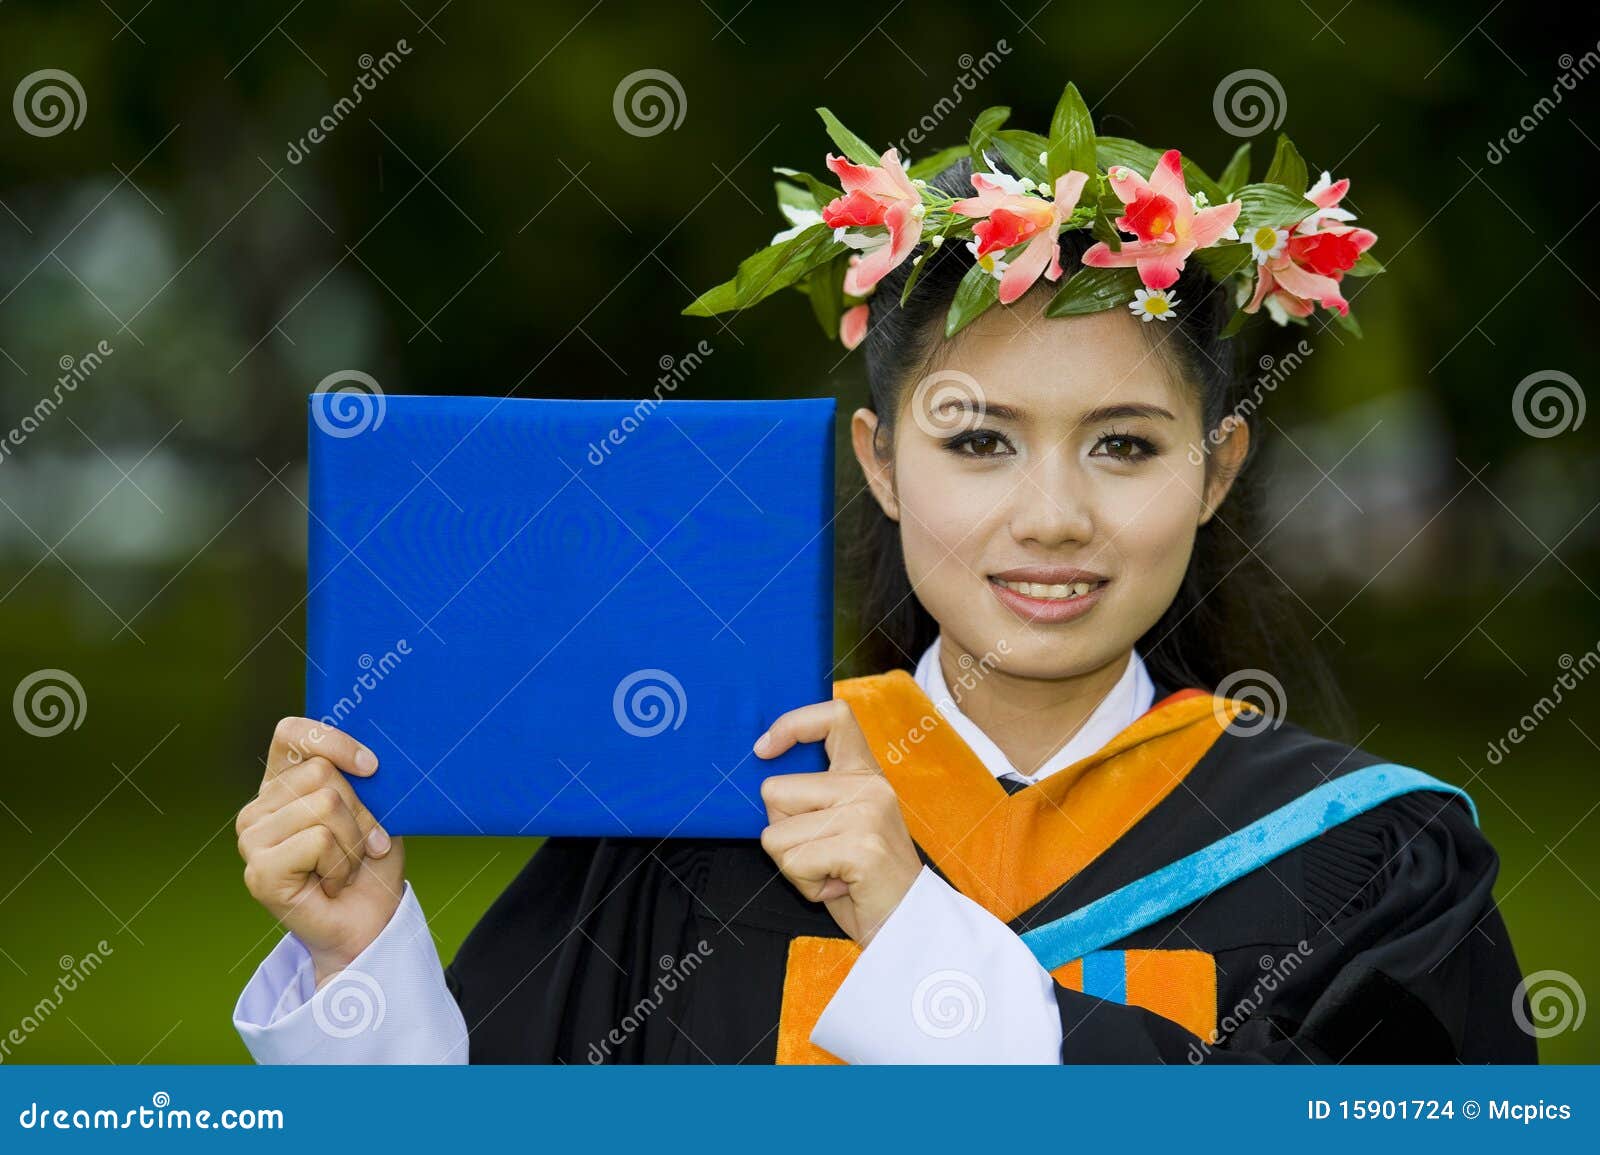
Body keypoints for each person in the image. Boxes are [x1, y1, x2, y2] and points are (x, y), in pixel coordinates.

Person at [232, 97, 1536, 1064]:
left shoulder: (1369, 864)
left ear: (1216, 468)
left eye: (1127, 447)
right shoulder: (688, 836)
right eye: (977, 440)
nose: (1053, 516)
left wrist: (921, 946)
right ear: (882, 462)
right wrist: (361, 969)